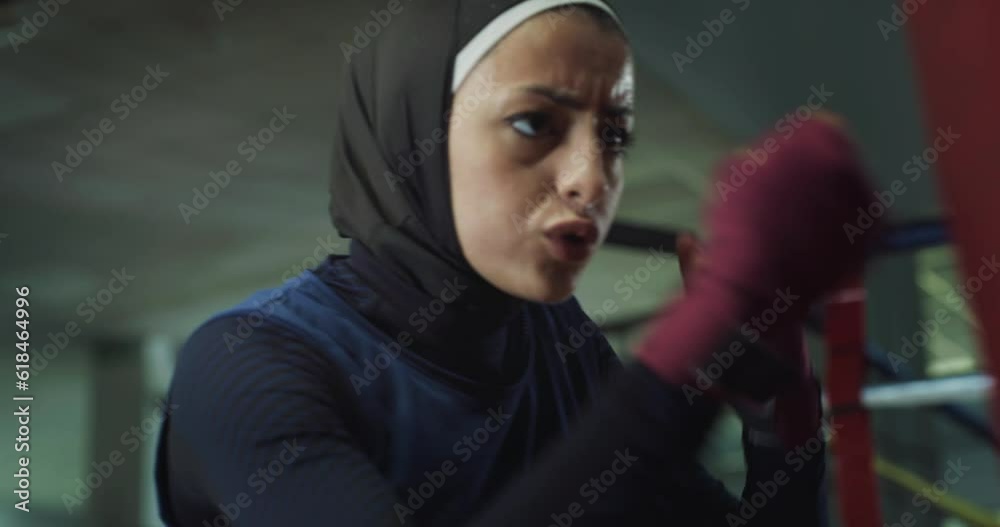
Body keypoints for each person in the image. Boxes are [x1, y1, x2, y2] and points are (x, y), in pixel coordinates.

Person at [153, 1, 882, 525]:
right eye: (535, 123)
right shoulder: (248, 363)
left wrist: (777, 420)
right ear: (418, 133)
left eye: (614, 134)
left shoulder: (557, 340)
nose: (592, 179)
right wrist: (692, 348)